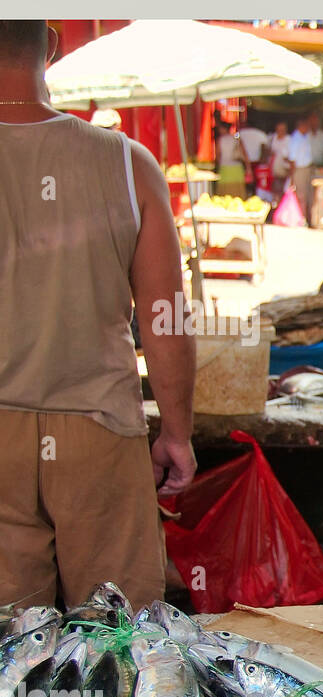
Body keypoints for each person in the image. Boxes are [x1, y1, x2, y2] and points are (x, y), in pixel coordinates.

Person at [0, 19, 196, 608]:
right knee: (117, 640)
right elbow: (165, 318)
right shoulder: (128, 164)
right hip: (99, 430)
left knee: (10, 643)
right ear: (53, 46)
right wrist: (177, 432)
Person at [287, 114, 316, 224]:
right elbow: (292, 159)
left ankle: (308, 218)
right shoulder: (296, 139)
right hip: (299, 169)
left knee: (308, 195)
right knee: (301, 195)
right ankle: (301, 219)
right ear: (301, 126)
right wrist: (292, 176)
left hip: (307, 168)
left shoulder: (305, 137)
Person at [214, 120, 248, 197]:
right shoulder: (236, 139)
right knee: (237, 192)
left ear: (223, 128)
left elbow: (218, 155)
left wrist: (218, 166)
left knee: (225, 192)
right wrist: (248, 168)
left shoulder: (220, 140)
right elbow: (244, 154)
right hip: (237, 168)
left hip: (225, 168)